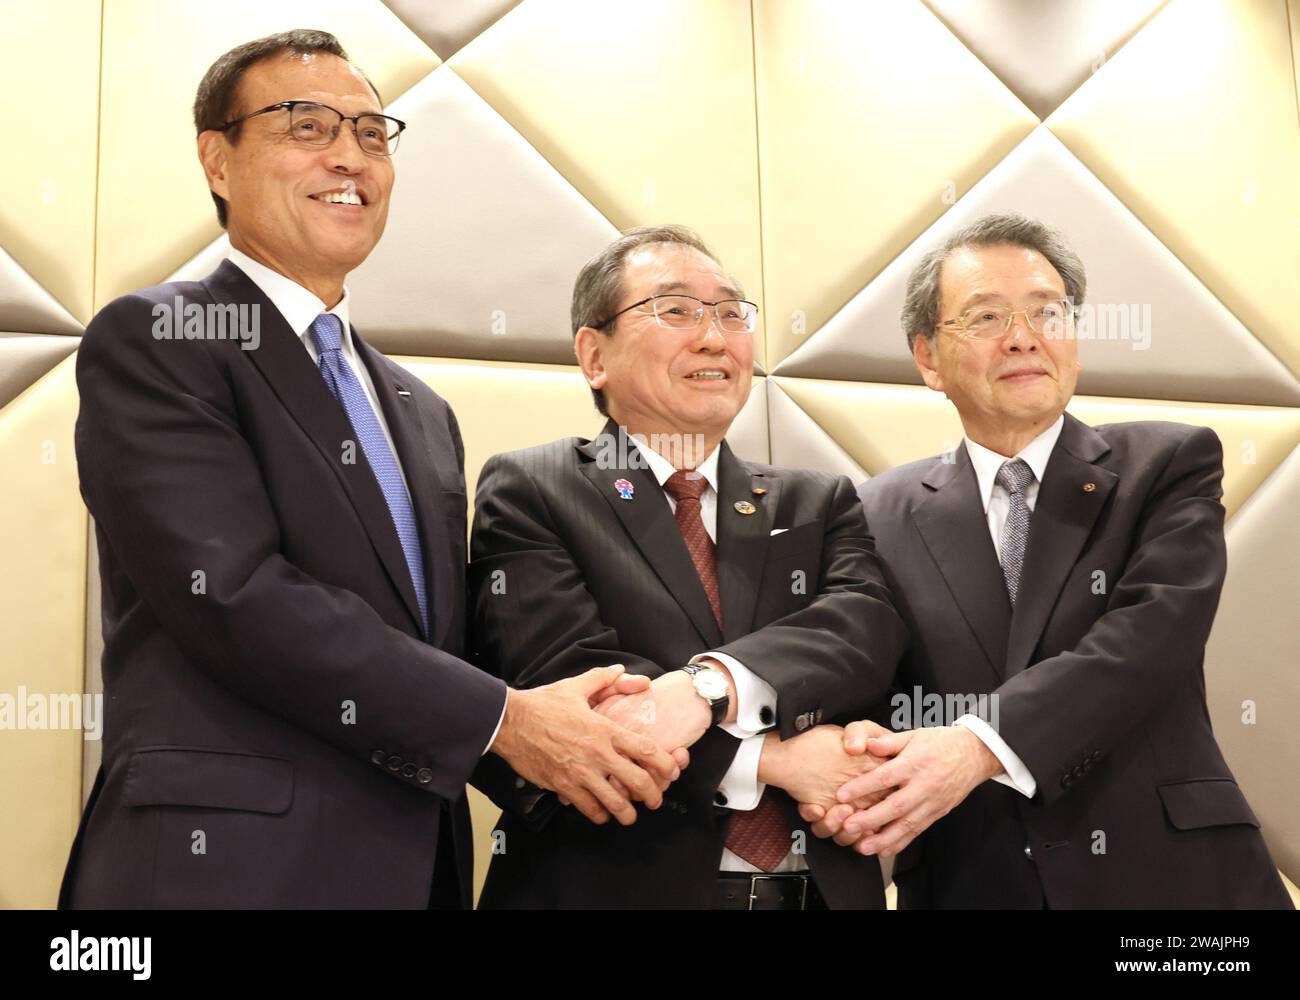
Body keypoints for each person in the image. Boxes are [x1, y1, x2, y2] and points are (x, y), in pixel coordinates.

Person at [60, 29, 681, 910]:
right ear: (218, 159)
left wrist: (579, 717)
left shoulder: (419, 409)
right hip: (224, 869)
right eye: (305, 126)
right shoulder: (161, 339)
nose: (350, 155)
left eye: (372, 133)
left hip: (412, 869)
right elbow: (231, 594)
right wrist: (506, 718)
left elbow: (429, 643)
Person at [802, 213, 1292, 909]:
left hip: (1174, 885)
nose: (1024, 336)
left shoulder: (1166, 463)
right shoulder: (877, 512)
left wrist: (976, 747)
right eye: (986, 317)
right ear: (928, 358)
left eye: (1047, 312)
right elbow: (856, 671)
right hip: (973, 883)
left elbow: (1148, 640)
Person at [469, 225, 908, 909]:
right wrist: (778, 762)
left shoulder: (814, 500)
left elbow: (863, 631)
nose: (714, 337)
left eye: (732, 313)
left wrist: (709, 690)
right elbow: (574, 693)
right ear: (594, 355)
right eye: (675, 310)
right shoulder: (533, 488)